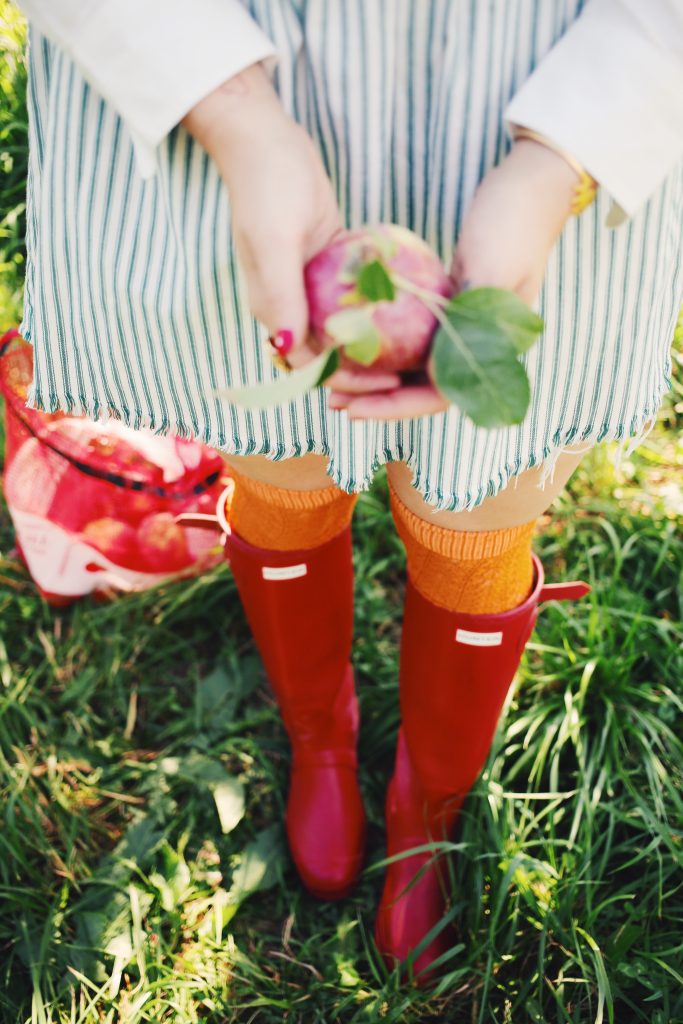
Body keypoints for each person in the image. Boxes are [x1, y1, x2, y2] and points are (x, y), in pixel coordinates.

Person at [16, 0, 683, 980]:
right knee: (276, 445)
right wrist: (235, 112)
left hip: (536, 101)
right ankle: (318, 730)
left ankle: (428, 804)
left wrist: (555, 163)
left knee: (482, 499)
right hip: (252, 94)